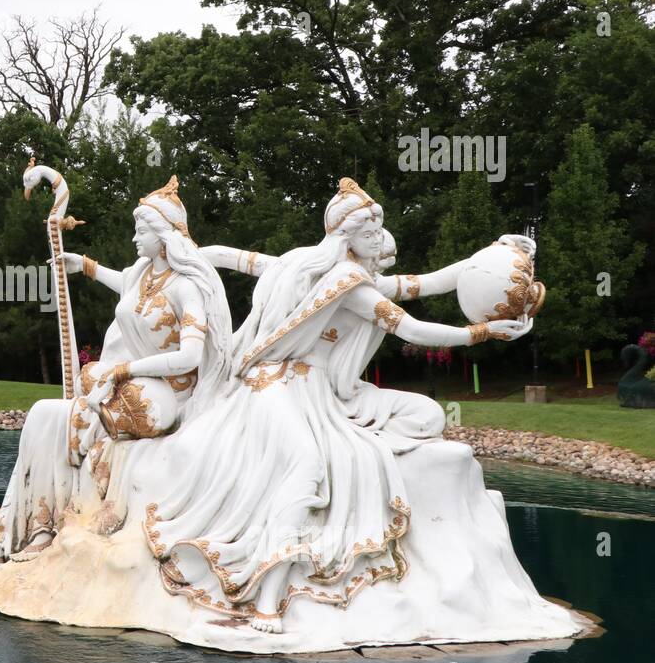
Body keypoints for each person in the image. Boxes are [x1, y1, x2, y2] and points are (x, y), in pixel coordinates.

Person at [137, 179, 532, 632]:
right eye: (370, 234)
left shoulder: (347, 274)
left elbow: (425, 284)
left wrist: (490, 255)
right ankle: (269, 593)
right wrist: (480, 334)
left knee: (429, 416)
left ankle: (362, 443)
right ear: (346, 238)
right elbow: (411, 329)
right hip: (278, 384)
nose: (380, 240)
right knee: (307, 464)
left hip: (333, 392)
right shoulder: (339, 280)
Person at [0, 176, 232, 568]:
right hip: (130, 383)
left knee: (87, 403)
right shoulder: (142, 274)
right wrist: (84, 265)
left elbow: (189, 356)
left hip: (165, 396)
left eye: (141, 230)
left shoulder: (186, 287)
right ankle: (34, 529)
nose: (134, 237)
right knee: (42, 415)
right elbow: (125, 287)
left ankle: (43, 523)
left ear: (163, 235)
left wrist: (123, 370)